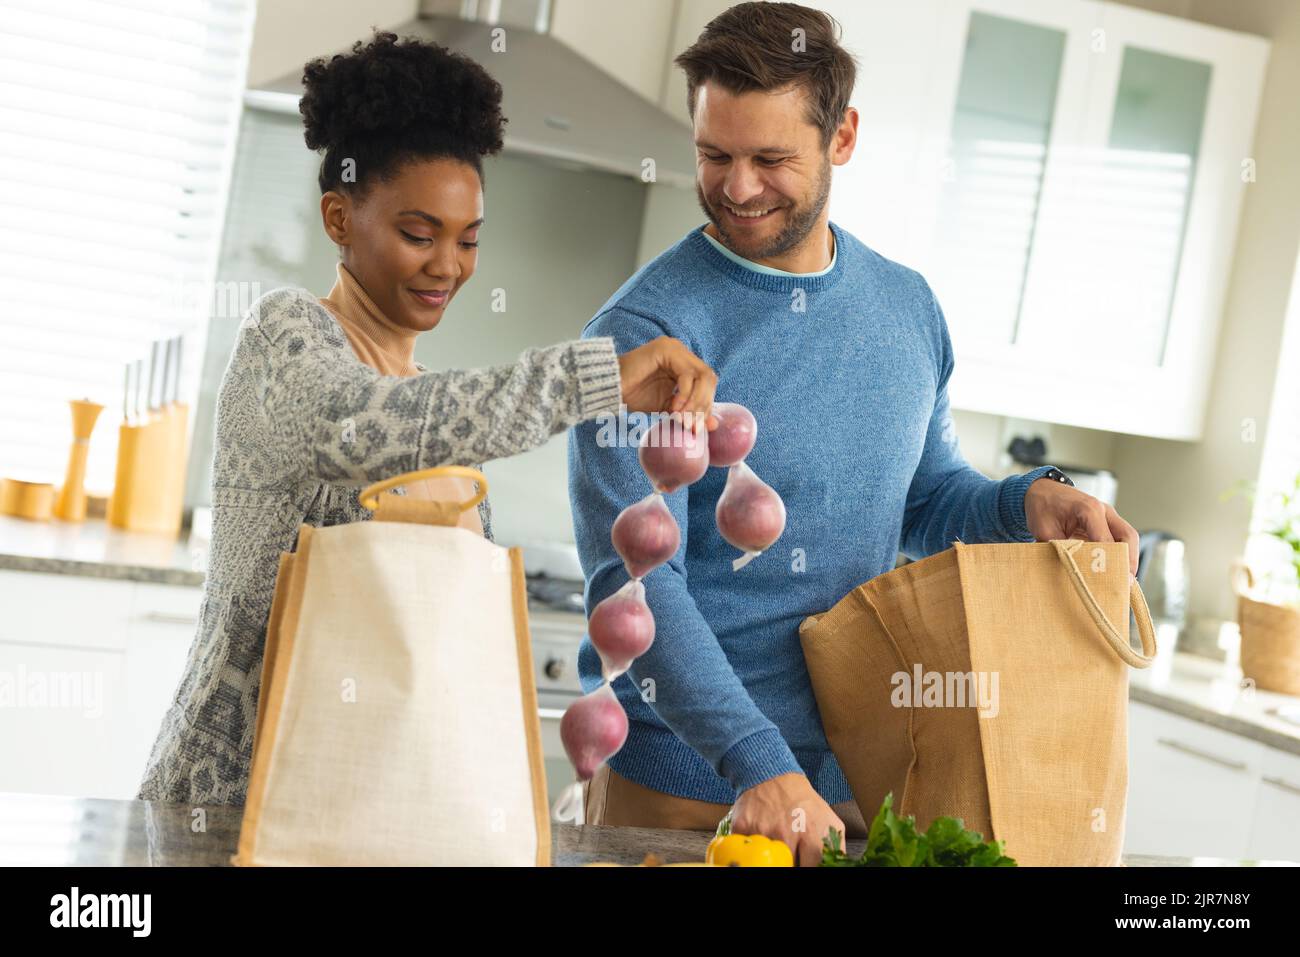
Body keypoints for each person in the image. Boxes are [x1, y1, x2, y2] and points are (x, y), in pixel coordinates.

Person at [568, 2, 1140, 866]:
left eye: (771, 158)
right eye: (714, 155)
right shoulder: (640, 339)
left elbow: (924, 495)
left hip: (857, 781)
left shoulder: (907, 308)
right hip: (684, 787)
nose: (738, 186)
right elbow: (638, 591)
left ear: (843, 138)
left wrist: (1027, 502)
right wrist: (758, 762)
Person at [138, 32, 717, 806]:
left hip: (365, 815)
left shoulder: (441, 417)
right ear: (340, 218)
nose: (448, 265)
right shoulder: (286, 339)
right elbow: (361, 425)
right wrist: (593, 379)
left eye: (469, 239)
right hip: (227, 804)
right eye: (419, 234)